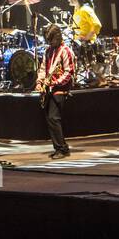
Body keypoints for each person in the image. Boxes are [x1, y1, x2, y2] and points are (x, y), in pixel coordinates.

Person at [35, 24, 76, 159]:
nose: (49, 43)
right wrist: (39, 82)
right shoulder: (48, 51)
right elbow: (43, 68)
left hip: (60, 89)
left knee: (53, 118)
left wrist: (55, 82)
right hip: (49, 89)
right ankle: (59, 148)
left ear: (57, 37)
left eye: (51, 40)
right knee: (50, 119)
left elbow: (69, 72)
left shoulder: (66, 51)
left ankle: (62, 149)